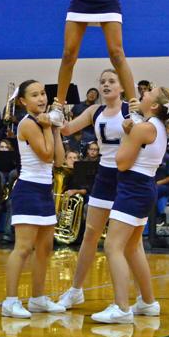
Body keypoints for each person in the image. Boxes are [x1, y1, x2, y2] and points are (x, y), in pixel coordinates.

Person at [91, 86, 169, 324]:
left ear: (153, 106)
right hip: (143, 189)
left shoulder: (143, 128)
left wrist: (127, 135)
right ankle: (148, 302)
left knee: (113, 247)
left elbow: (121, 163)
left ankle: (122, 308)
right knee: (132, 248)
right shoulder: (158, 127)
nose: (141, 95)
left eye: (147, 94)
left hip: (133, 190)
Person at [58, 70, 129, 309]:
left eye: (112, 81)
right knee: (90, 235)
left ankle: (141, 298)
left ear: (122, 86)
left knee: (130, 244)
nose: (106, 85)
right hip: (104, 176)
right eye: (103, 81)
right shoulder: (94, 111)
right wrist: (59, 114)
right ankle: (75, 290)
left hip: (127, 176)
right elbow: (67, 130)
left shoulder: (131, 110)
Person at [2, 80, 66, 318]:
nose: (41, 99)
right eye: (35, 95)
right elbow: (47, 155)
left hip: (44, 191)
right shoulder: (27, 124)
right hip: (27, 190)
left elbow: (59, 161)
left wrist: (56, 128)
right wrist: (48, 128)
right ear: (23, 102)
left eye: (43, 94)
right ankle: (10, 301)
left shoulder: (43, 123)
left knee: (45, 249)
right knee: (23, 248)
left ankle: (38, 298)